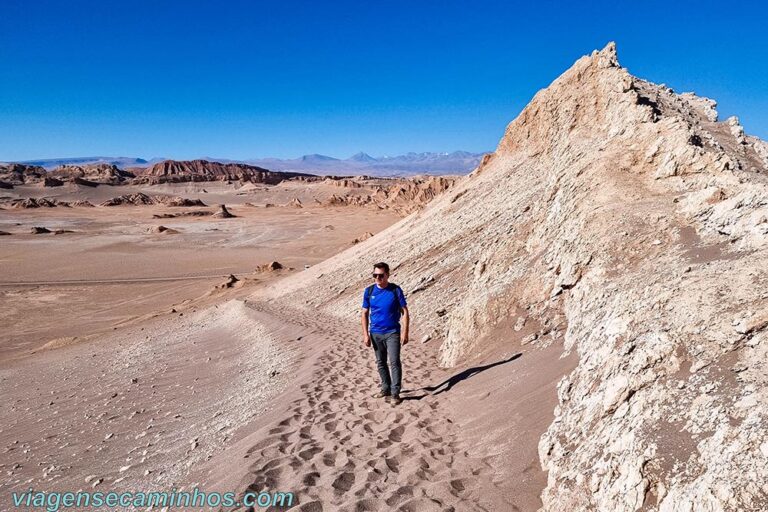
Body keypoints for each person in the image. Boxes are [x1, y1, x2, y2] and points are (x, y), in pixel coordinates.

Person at [361, 262, 409, 406]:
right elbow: (364, 313)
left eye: (381, 275)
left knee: (394, 361)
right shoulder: (369, 291)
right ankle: (385, 388)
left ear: (388, 275)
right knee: (381, 362)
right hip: (375, 333)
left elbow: (405, 311)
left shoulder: (395, 290)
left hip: (392, 332)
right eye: (375, 275)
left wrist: (405, 333)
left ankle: (395, 393)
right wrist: (365, 334)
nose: (378, 278)